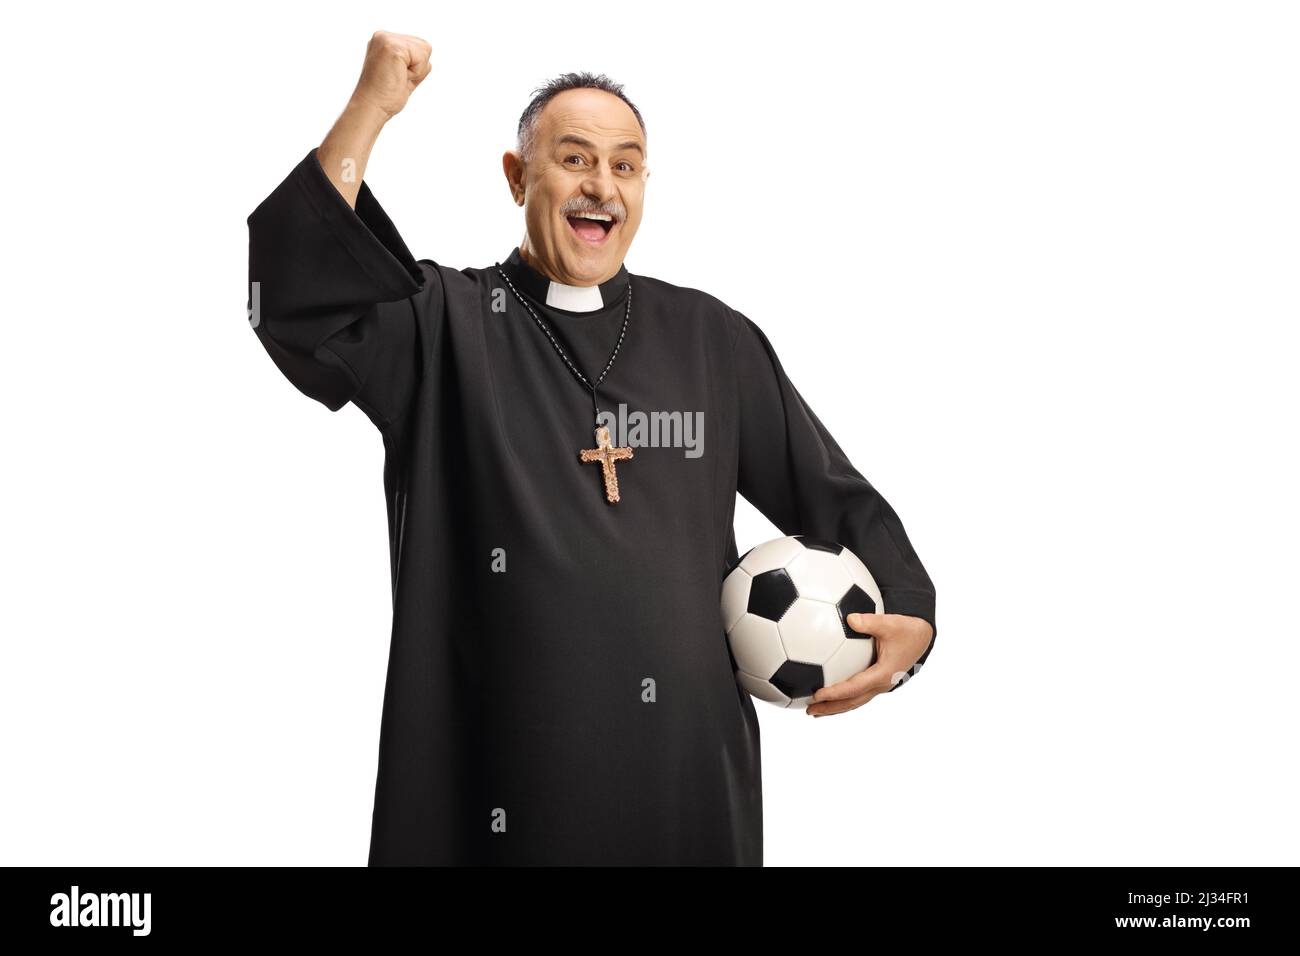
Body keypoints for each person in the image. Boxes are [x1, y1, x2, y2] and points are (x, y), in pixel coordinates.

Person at [246, 30, 938, 865]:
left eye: (625, 165)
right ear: (517, 177)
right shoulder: (442, 325)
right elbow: (295, 299)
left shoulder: (710, 338)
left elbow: (834, 496)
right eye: (574, 160)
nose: (600, 187)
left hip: (684, 782)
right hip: (497, 779)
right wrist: (372, 109)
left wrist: (912, 621)